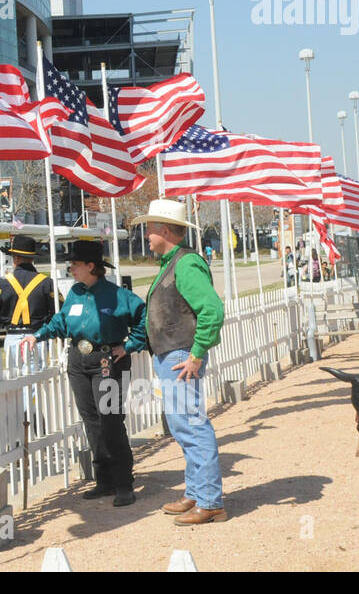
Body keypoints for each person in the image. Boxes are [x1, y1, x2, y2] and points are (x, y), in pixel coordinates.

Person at [19, 240, 146, 506]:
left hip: (108, 361)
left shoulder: (118, 295)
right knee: (91, 420)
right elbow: (61, 322)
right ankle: (104, 481)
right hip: (79, 361)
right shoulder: (75, 293)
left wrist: (130, 345)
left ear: (91, 266)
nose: (71, 269)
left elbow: (144, 318)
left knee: (111, 420)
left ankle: (124, 483)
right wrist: (38, 336)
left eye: (75, 265)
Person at [128, 199, 227, 525]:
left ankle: (210, 501)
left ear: (165, 230)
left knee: (192, 426)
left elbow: (212, 309)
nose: (146, 236)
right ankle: (197, 493)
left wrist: (197, 355)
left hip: (182, 356)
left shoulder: (185, 264)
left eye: (150, 229)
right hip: (174, 355)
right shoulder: (174, 262)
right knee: (184, 426)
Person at [0, 234, 55, 427]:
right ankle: (30, 420)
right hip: (36, 337)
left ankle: (22, 420)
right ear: (32, 258)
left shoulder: (3, 282)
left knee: (16, 379)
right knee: (33, 381)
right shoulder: (46, 282)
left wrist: (6, 322)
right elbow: (57, 312)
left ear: (15, 259)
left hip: (13, 337)